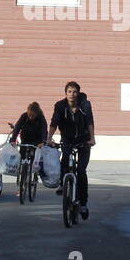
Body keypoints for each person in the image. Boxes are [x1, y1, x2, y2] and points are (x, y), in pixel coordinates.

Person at [49, 81, 95, 218]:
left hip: (83, 140)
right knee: (65, 159)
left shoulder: (85, 105)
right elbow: (54, 122)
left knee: (81, 171)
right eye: (69, 91)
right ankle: (62, 184)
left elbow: (90, 122)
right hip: (67, 139)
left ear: (78, 93)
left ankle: (83, 204)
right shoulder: (59, 105)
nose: (72, 94)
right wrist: (48, 138)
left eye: (75, 92)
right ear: (65, 93)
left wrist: (92, 138)